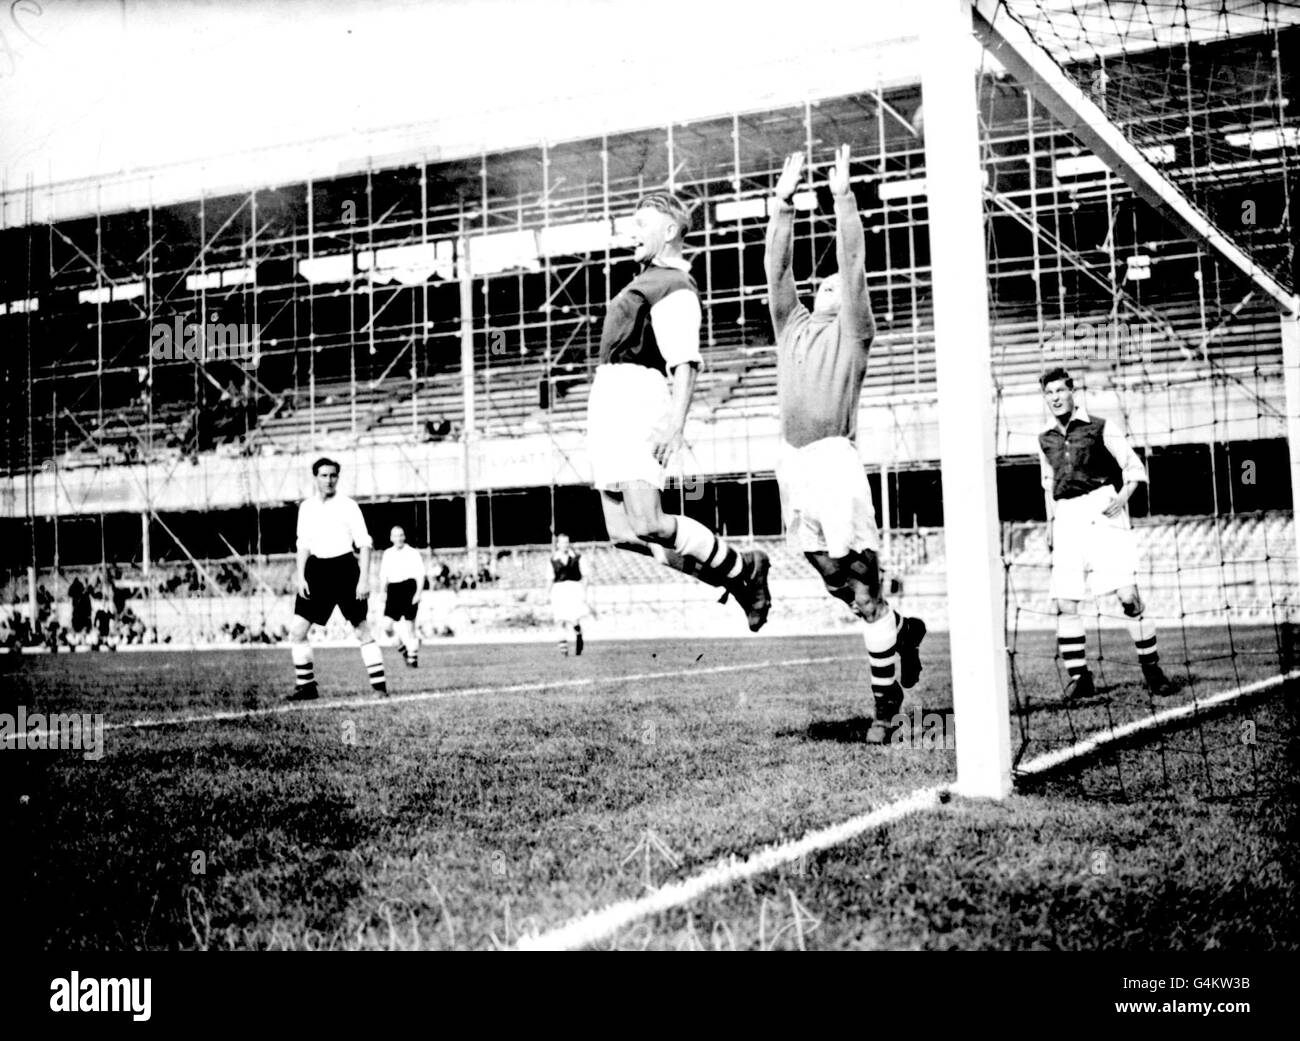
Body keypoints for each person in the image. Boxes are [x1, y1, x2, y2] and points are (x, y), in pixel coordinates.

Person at [765, 147, 927, 740]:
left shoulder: (854, 331)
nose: (826, 285)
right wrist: (783, 202)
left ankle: (885, 709)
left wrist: (841, 198)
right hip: (792, 462)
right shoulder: (793, 324)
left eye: (833, 284)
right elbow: (776, 272)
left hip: (833, 458)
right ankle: (901, 628)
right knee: (828, 571)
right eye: (823, 283)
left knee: (862, 587)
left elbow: (853, 264)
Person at [586, 190, 771, 630]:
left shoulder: (675, 285)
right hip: (610, 399)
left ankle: (745, 567)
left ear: (669, 232)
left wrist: (674, 424)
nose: (634, 231)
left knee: (649, 521)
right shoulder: (648, 278)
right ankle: (737, 576)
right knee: (624, 534)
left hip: (637, 399)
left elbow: (684, 361)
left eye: (642, 223)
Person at [1038, 367, 1172, 699]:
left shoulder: (1101, 426)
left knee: (1128, 596)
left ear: (1072, 392)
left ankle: (1151, 668)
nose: (1055, 397)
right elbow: (1047, 485)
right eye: (1049, 393)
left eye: (1060, 390)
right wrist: (1050, 524)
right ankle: (1080, 677)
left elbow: (1134, 468)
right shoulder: (1044, 438)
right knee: (1066, 602)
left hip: (1101, 508)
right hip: (1066, 516)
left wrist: (1121, 499)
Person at [286, 457, 386, 701]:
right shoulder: (307, 507)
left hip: (345, 569)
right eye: (323, 475)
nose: (329, 480)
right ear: (315, 477)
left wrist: (363, 579)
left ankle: (380, 688)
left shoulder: (348, 505)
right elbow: (303, 544)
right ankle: (306, 686)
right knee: (298, 630)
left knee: (361, 629)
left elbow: (364, 543)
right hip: (317, 570)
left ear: (338, 478)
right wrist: (301, 576)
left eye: (333, 475)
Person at [380, 525, 426, 668]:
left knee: (410, 626)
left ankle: (413, 660)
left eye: (401, 535)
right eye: (395, 536)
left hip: (409, 587)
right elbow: (383, 575)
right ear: (391, 538)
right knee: (387, 625)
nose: (398, 538)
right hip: (393, 590)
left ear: (404, 536)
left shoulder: (412, 553)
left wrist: (418, 592)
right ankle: (404, 649)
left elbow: (420, 574)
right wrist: (383, 591)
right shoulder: (387, 553)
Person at [549, 533, 592, 656]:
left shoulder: (577, 557)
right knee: (560, 618)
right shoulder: (553, 559)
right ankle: (564, 649)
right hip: (559, 590)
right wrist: (546, 594)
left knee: (574, 619)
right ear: (558, 544)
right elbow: (549, 578)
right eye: (562, 542)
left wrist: (584, 591)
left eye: (567, 542)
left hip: (574, 588)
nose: (565, 545)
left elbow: (585, 575)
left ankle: (578, 635)